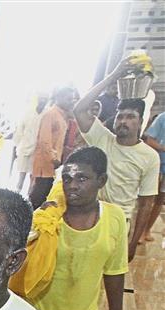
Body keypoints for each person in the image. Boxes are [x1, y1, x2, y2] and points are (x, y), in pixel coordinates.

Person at [19, 148, 126, 310]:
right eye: (67, 178)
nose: (72, 185)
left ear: (101, 181)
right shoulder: (47, 218)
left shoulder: (114, 218)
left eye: (82, 178)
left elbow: (115, 271)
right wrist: (38, 221)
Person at [73, 58, 159, 261]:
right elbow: (79, 110)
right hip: (89, 217)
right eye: (120, 116)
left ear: (140, 122)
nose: (123, 121)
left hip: (118, 224)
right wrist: (114, 75)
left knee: (107, 274)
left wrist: (133, 242)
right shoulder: (103, 138)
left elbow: (146, 204)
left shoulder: (150, 157)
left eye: (130, 117)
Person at [28, 87, 76, 208]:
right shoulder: (51, 114)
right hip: (45, 164)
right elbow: (44, 140)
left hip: (53, 165)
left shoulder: (62, 116)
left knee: (45, 196)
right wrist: (53, 159)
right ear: (59, 97)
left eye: (72, 99)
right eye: (68, 99)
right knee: (38, 197)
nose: (71, 102)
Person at [12, 93, 48, 193]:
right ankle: (17, 193)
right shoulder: (28, 112)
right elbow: (20, 130)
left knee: (33, 177)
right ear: (38, 99)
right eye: (41, 98)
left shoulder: (47, 114)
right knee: (21, 175)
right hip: (25, 147)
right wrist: (16, 145)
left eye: (45, 99)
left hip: (39, 150)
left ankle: (29, 196)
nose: (43, 100)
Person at [141, 111, 165, 242]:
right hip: (157, 164)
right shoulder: (162, 118)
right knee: (147, 198)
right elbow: (149, 140)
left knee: (160, 199)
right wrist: (163, 147)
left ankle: (147, 230)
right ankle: (140, 231)